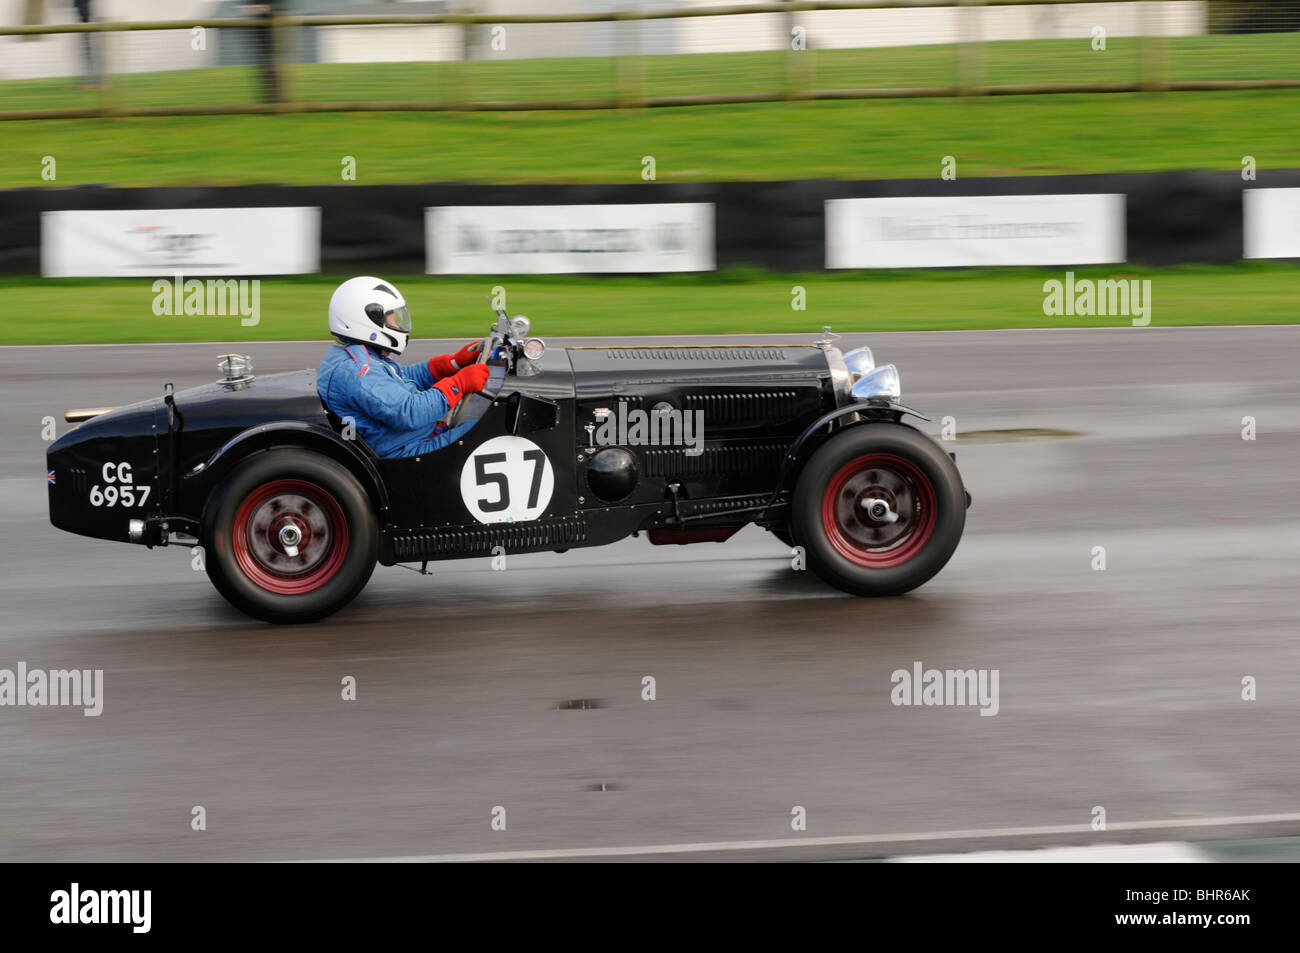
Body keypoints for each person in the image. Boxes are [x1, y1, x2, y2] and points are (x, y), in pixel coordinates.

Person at [317, 277, 490, 458]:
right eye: (391, 320)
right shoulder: (358, 372)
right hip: (409, 450)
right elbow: (410, 412)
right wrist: (459, 384)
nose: (398, 326)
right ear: (368, 321)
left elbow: (401, 378)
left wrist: (452, 363)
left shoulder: (355, 354)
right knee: (490, 428)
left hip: (411, 438)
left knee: (484, 421)